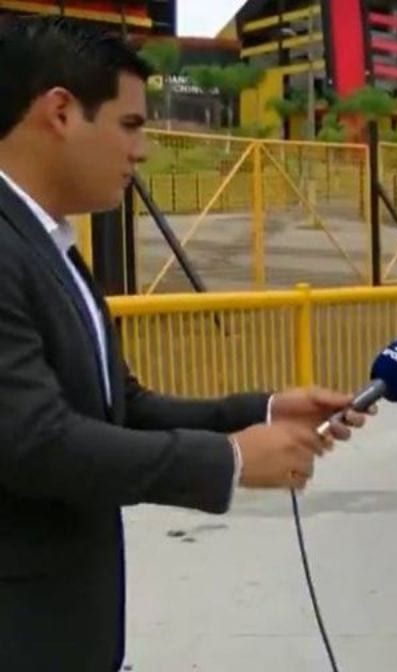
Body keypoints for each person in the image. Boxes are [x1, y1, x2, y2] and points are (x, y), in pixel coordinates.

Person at [0, 17, 372, 671]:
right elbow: (34, 442)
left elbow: (122, 408)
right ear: (60, 111)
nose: (142, 151)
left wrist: (258, 412)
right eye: (130, 125)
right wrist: (225, 460)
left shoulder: (49, 245)